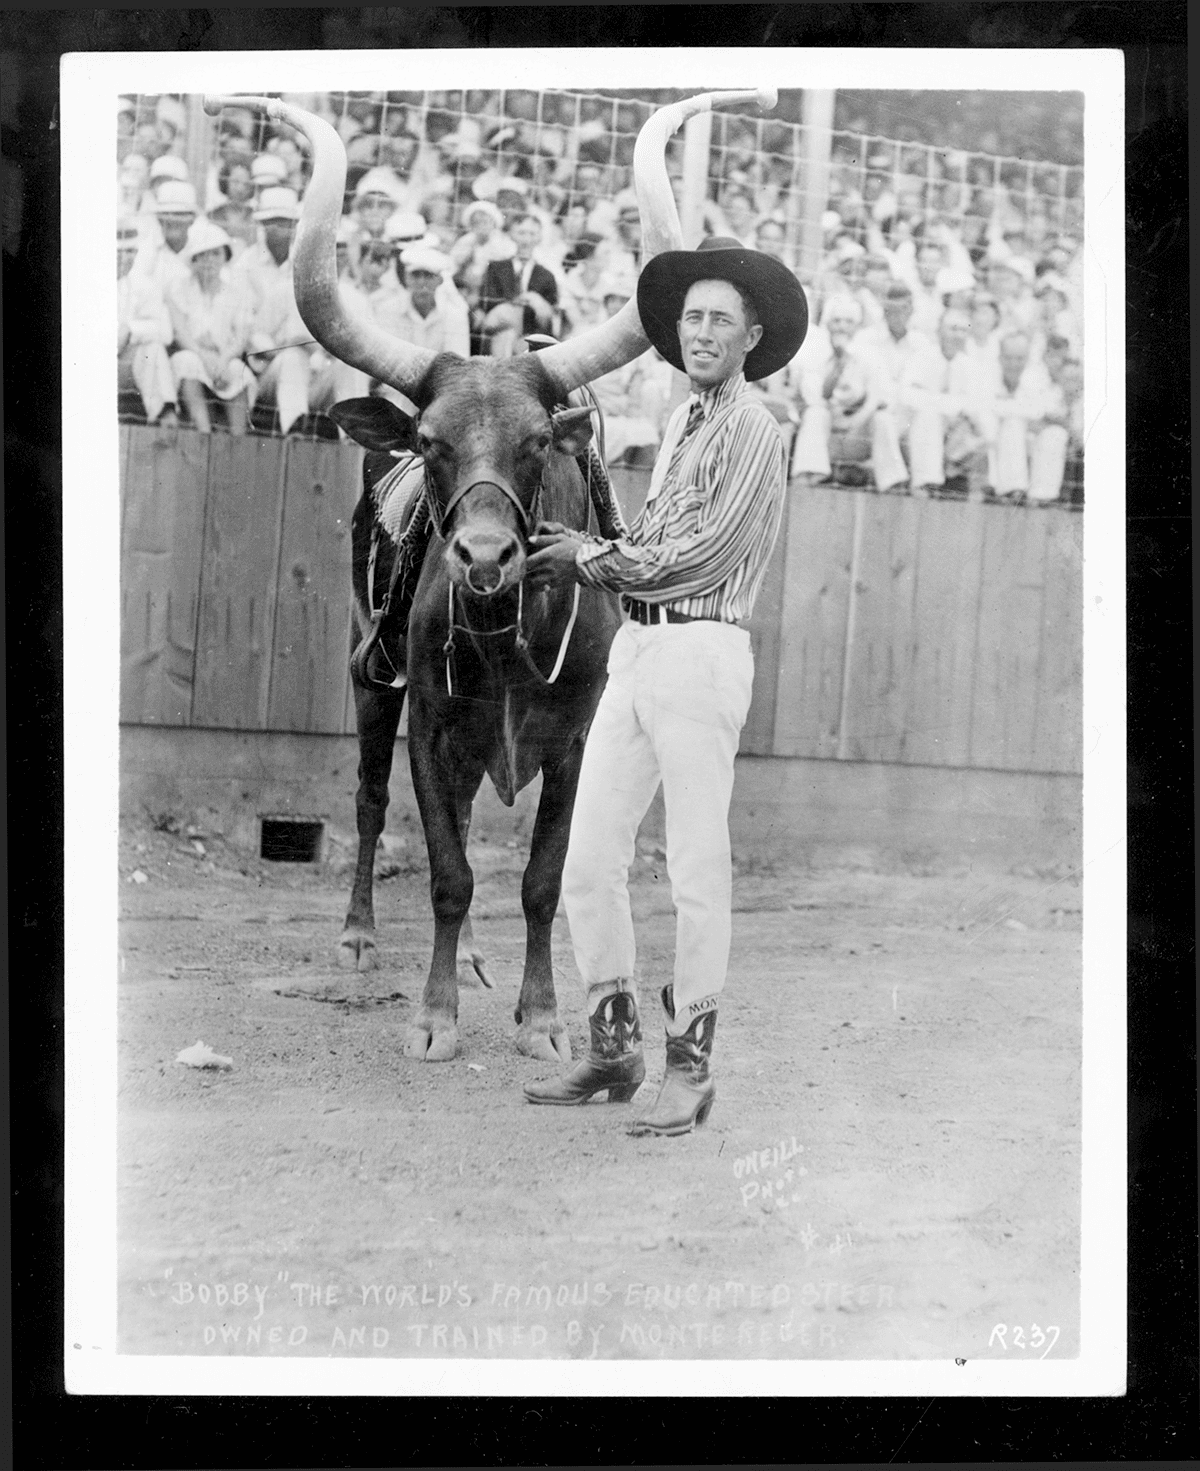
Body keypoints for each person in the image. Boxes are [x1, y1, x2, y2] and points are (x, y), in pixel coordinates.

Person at [522, 236, 808, 1136]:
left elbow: (705, 555)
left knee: (694, 868)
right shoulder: (684, 419)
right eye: (692, 318)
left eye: (722, 319)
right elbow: (657, 536)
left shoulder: (756, 428)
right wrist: (599, 541)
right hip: (641, 649)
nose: (703, 332)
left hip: (701, 651)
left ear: (753, 337)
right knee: (587, 860)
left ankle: (692, 1067)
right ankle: (614, 1047)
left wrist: (590, 558)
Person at [165, 220, 257, 434]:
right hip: (193, 353)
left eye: (216, 254)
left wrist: (224, 359)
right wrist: (203, 355)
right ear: (194, 259)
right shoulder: (179, 289)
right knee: (187, 362)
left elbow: (241, 337)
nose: (209, 261)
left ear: (225, 257)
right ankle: (203, 434)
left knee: (238, 370)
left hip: (224, 357)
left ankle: (238, 440)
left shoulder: (237, 293)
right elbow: (180, 332)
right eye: (203, 255)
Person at [117, 219, 177, 426]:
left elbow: (165, 331)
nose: (125, 257)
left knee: (153, 349)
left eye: (130, 251)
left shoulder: (143, 284)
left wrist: (131, 329)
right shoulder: (83, 281)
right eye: (118, 251)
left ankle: (165, 417)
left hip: (120, 369)